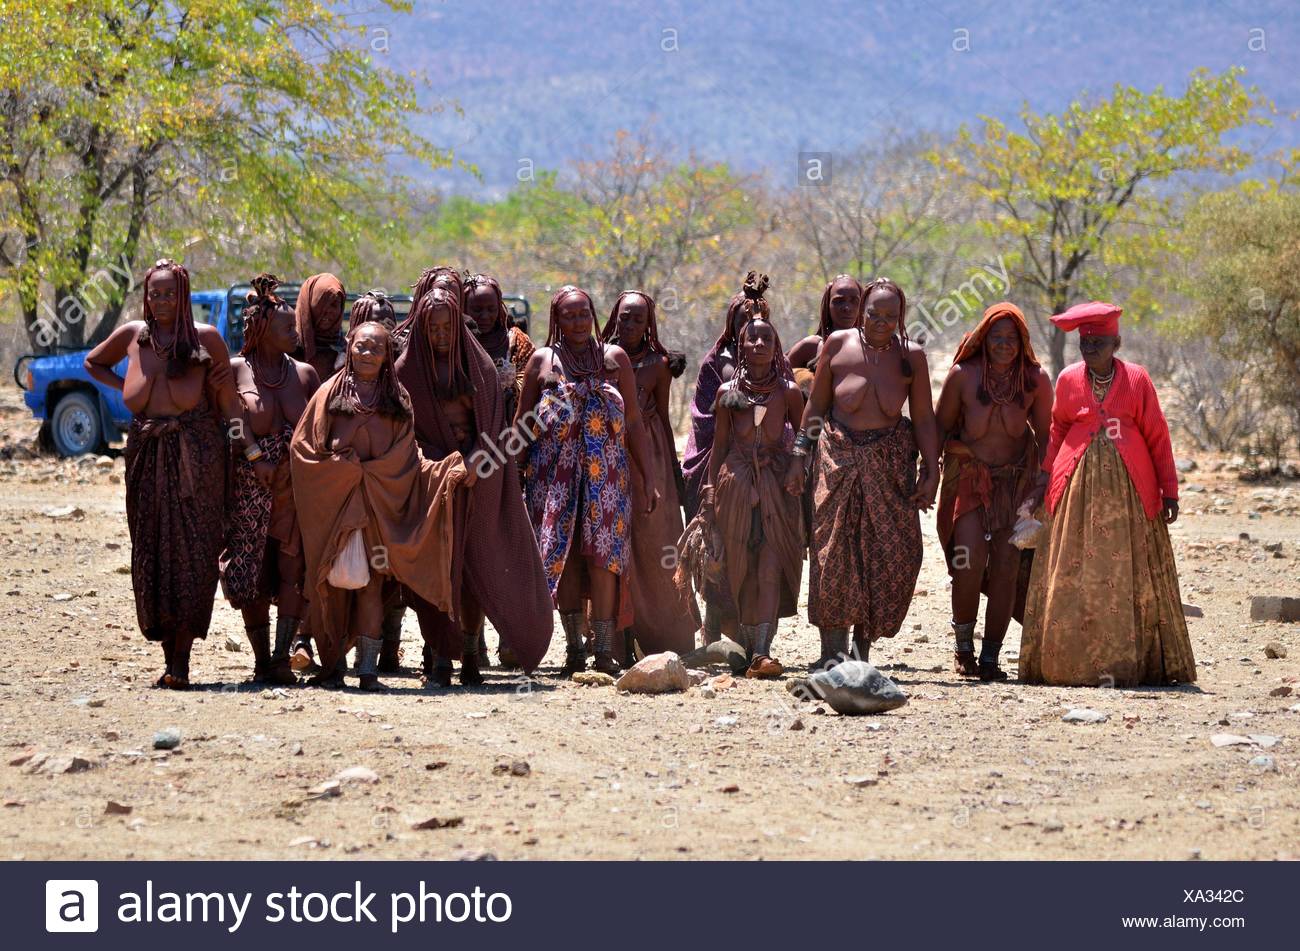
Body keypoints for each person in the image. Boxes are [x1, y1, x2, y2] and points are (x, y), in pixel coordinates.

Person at [84, 259, 245, 688]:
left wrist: (244, 447)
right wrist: (128, 391)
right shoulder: (134, 337)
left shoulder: (205, 340)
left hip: (199, 456)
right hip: (145, 455)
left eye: (169, 293)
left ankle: (181, 660)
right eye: (154, 293)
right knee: (151, 549)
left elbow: (229, 402)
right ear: (145, 295)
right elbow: (92, 363)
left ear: (184, 295)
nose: (161, 301)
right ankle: (166, 653)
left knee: (194, 552)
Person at [1019, 302, 1196, 687]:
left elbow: (1156, 434)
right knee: (1074, 571)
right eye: (1085, 344)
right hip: (1075, 492)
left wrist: (1169, 491)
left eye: (1098, 342)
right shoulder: (1068, 380)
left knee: (1126, 571)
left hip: (1131, 492)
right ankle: (1068, 665)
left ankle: (1132, 665)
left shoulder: (1137, 380)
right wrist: (1042, 482)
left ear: (1116, 342)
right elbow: (1057, 433)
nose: (1091, 349)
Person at [290, 321, 473, 690]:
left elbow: (405, 456)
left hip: (378, 509)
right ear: (350, 346)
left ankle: (368, 671)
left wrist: (379, 475)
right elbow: (304, 448)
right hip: (337, 507)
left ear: (388, 354)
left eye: (377, 348)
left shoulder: (397, 399)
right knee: (333, 582)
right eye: (362, 346)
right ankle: (333, 667)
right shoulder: (328, 394)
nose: (368, 353)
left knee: (372, 585)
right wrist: (342, 472)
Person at [395, 287, 553, 685]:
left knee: (475, 563)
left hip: (477, 480)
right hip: (430, 481)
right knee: (437, 567)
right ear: (422, 329)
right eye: (433, 329)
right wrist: (437, 466)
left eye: (448, 327)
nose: (441, 336)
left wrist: (471, 465)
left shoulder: (478, 369)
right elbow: (402, 433)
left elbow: (494, 430)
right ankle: (439, 657)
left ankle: (469, 652)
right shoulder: (408, 371)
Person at [790, 277, 939, 667]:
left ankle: (861, 650)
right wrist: (799, 454)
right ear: (862, 310)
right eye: (874, 312)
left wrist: (931, 469)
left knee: (889, 554)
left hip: (888, 466)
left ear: (901, 317)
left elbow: (923, 417)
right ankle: (831, 653)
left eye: (891, 316)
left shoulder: (912, 357)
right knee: (832, 552)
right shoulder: (838, 345)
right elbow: (816, 406)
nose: (881, 322)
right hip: (836, 460)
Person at [516, 285, 656, 676]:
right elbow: (523, 425)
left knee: (604, 559)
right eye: (569, 315)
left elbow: (633, 423)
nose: (578, 322)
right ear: (556, 319)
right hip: (551, 477)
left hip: (606, 476)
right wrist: (512, 473)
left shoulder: (614, 359)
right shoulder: (542, 362)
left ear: (594, 317)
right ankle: (575, 651)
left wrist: (648, 477)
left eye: (584, 314)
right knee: (565, 560)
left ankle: (605, 653)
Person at [933, 302, 1051, 680]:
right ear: (983, 340)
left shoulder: (1034, 380)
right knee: (966, 564)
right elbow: (938, 430)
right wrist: (926, 477)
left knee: (1006, 568)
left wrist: (1043, 489)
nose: (1004, 345)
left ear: (1022, 342)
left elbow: (1048, 439)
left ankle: (990, 659)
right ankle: (963, 650)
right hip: (969, 481)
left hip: (1015, 488)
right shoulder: (963, 376)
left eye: (1011, 338)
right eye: (996, 337)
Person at [701, 275, 805, 678]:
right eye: (752, 339)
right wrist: (710, 490)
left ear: (777, 346)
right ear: (739, 345)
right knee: (739, 561)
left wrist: (796, 463)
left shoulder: (788, 391)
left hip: (778, 485)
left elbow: (807, 434)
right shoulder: (728, 391)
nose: (759, 344)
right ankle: (744, 647)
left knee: (770, 561)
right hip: (735, 484)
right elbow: (720, 445)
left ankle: (763, 651)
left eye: (767, 339)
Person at [219, 274, 321, 683]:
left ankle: (282, 656)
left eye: (294, 326)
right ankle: (262, 659)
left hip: (295, 489)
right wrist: (253, 453)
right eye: (286, 328)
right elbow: (228, 423)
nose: (295, 333)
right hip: (251, 487)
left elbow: (317, 428)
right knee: (254, 566)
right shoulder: (234, 371)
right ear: (261, 330)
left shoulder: (305, 374)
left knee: (292, 565)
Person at [682, 278, 790, 645]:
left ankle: (758, 642)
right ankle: (715, 629)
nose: (754, 333)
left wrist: (784, 457)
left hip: (769, 470)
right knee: (723, 552)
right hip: (724, 464)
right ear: (734, 325)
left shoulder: (780, 372)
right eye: (745, 322)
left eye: (761, 323)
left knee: (770, 554)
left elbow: (796, 423)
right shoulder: (717, 365)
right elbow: (706, 419)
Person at [600, 290, 700, 661]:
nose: (629, 325)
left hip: (650, 453)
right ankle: (615, 643)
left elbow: (658, 412)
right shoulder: (599, 357)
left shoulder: (658, 364)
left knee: (657, 544)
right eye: (624, 317)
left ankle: (667, 639)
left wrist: (669, 474)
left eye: (637, 320)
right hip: (607, 451)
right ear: (614, 317)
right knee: (613, 541)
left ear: (649, 325)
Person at [787, 275, 864, 374]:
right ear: (828, 305)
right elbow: (779, 382)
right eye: (839, 301)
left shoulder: (870, 349)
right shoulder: (811, 346)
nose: (847, 307)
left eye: (854, 301)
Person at [294, 273, 347, 382]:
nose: (328, 311)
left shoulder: (346, 351)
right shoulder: (288, 346)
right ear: (308, 303)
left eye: (334, 304)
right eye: (321, 304)